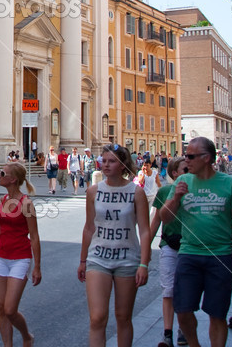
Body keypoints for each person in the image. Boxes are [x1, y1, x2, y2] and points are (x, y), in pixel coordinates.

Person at [160, 137, 232, 347]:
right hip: (189, 254)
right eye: (185, 156)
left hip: (220, 256)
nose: (186, 160)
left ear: (207, 158)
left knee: (217, 314)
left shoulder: (230, 184)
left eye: (190, 156)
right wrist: (176, 199)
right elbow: (165, 217)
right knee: (182, 310)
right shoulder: (183, 183)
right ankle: (194, 344)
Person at [78, 143, 152, 346]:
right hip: (98, 258)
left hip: (127, 260)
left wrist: (144, 264)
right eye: (104, 161)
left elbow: (144, 231)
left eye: (112, 161)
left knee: (123, 316)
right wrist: (83, 260)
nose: (106, 165)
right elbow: (88, 228)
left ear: (122, 165)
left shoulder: (136, 192)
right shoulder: (93, 191)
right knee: (97, 318)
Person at [0, 162, 41, 347]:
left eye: (2, 173)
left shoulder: (26, 204)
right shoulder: (3, 200)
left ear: (12, 179)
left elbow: (35, 237)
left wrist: (37, 266)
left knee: (10, 309)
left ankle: (26, 336)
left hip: (20, 258)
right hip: (1, 257)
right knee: (0, 308)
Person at [150, 157, 189, 347]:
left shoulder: (197, 192)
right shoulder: (164, 191)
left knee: (186, 290)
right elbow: (155, 222)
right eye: (185, 170)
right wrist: (144, 252)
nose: (189, 172)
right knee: (169, 290)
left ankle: (183, 329)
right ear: (175, 173)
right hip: (169, 244)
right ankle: (167, 333)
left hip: (191, 247)